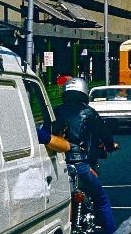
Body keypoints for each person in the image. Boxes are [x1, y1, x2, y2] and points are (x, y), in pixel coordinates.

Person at [53, 77, 119, 233]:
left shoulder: (55, 111)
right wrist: (111, 145)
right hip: (81, 164)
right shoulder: (88, 112)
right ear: (84, 93)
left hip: (59, 164)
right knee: (101, 200)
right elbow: (104, 134)